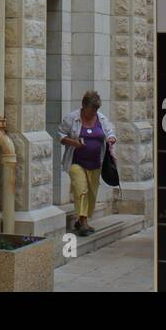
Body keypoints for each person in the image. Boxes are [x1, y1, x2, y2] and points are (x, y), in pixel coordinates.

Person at [58, 90, 116, 236]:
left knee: (91, 193)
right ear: (84, 106)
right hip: (76, 161)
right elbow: (60, 134)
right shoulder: (72, 118)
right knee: (81, 189)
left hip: (96, 162)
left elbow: (110, 131)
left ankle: (81, 219)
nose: (93, 113)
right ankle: (83, 222)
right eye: (91, 110)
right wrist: (74, 142)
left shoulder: (101, 119)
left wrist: (111, 138)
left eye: (96, 110)